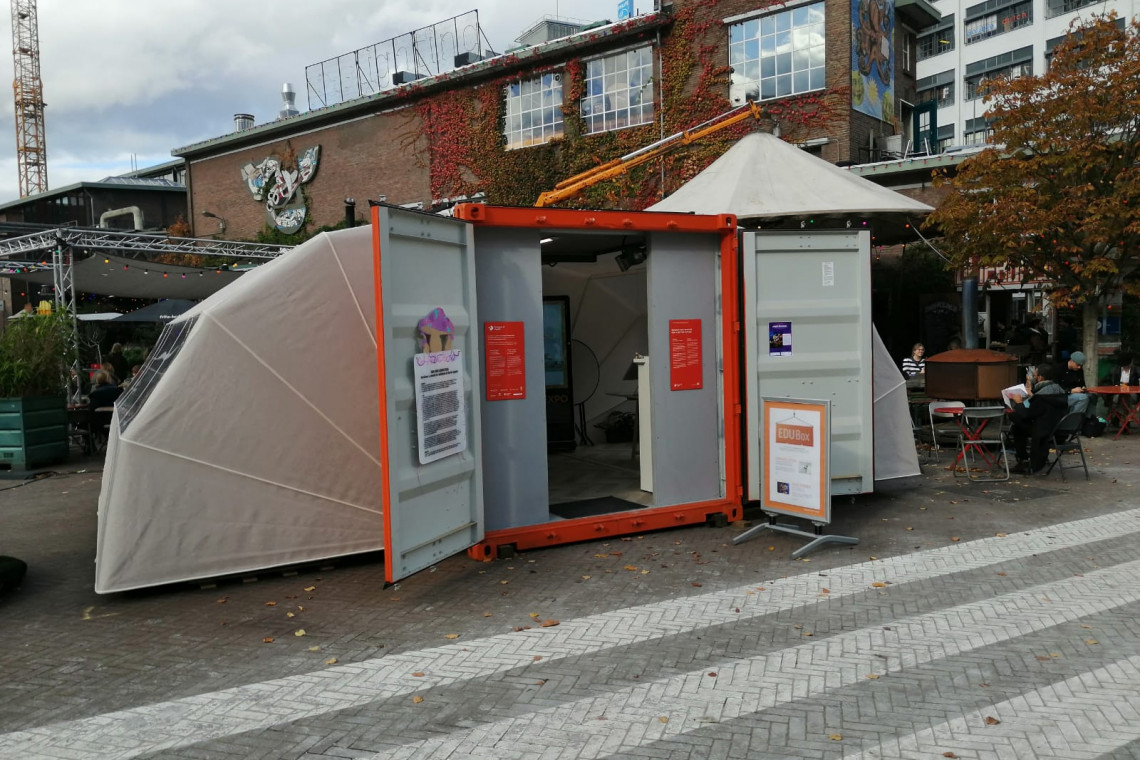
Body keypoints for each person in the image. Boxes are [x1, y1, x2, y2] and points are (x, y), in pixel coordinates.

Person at [1007, 363, 1068, 475]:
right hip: (1058, 429)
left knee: (1016, 422)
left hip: (1043, 431)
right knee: (1019, 425)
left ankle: (1023, 460)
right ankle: (1024, 460)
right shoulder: (1060, 392)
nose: (1034, 378)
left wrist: (1019, 403)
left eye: (1035, 375)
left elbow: (1027, 414)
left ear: (1040, 377)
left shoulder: (1042, 397)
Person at [1059, 350, 1090, 415]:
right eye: (1077, 365)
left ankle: (1088, 419)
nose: (1079, 367)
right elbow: (1055, 387)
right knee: (1083, 398)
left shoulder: (1079, 371)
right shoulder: (1059, 369)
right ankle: (1073, 419)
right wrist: (1070, 390)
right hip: (1063, 395)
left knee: (1092, 396)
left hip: (1076, 393)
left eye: (1081, 366)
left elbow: (1082, 384)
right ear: (1072, 361)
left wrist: (1083, 388)